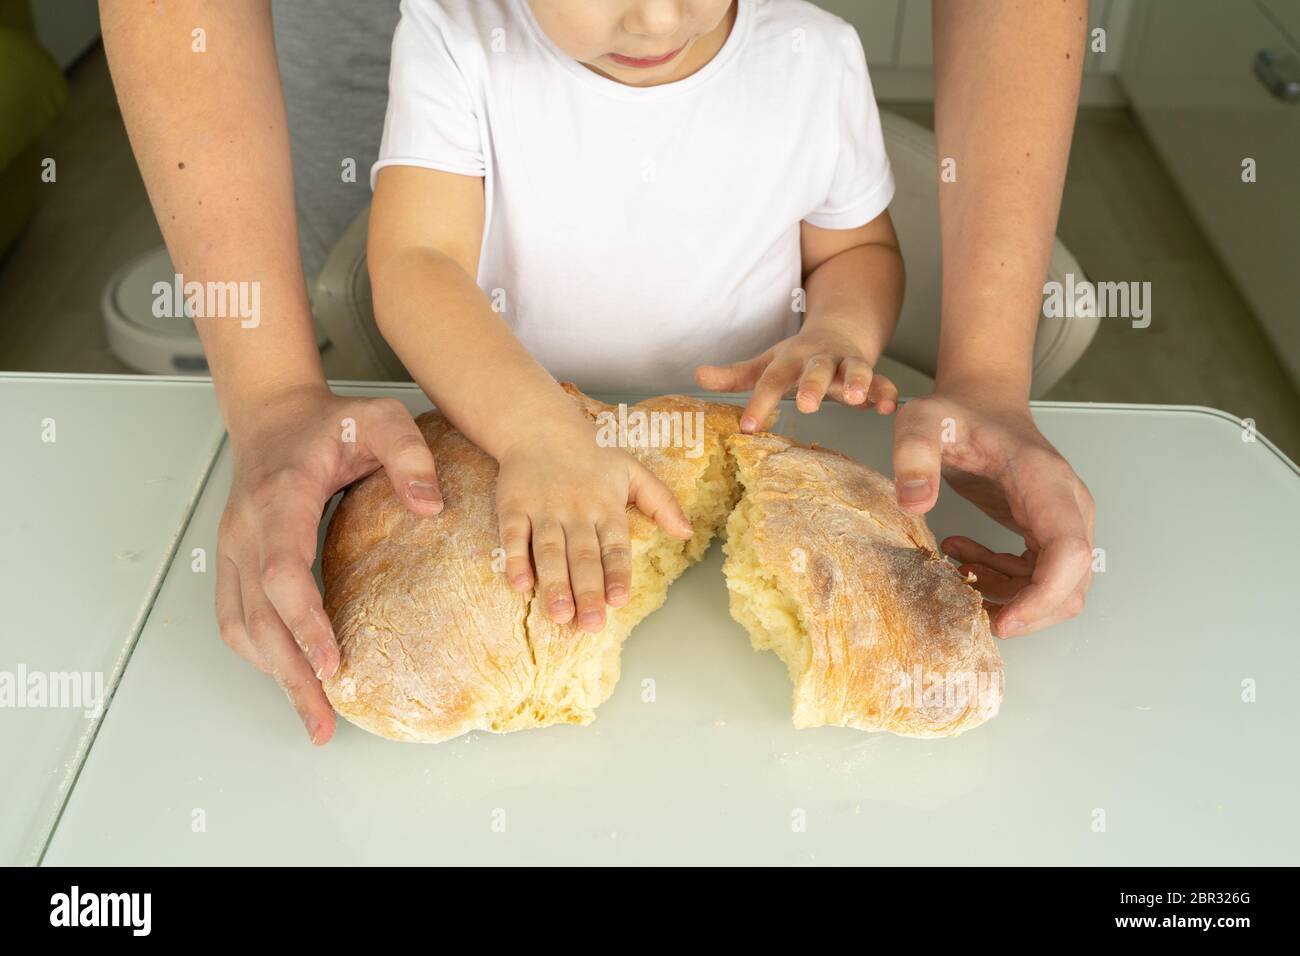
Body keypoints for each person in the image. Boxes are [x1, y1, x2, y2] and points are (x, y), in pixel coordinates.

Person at [101, 0, 1095, 746]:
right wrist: (537, 433)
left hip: (748, 436)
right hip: (518, 444)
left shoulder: (813, 56)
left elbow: (857, 255)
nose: (655, 16)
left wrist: (835, 325)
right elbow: (412, 268)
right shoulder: (458, 37)